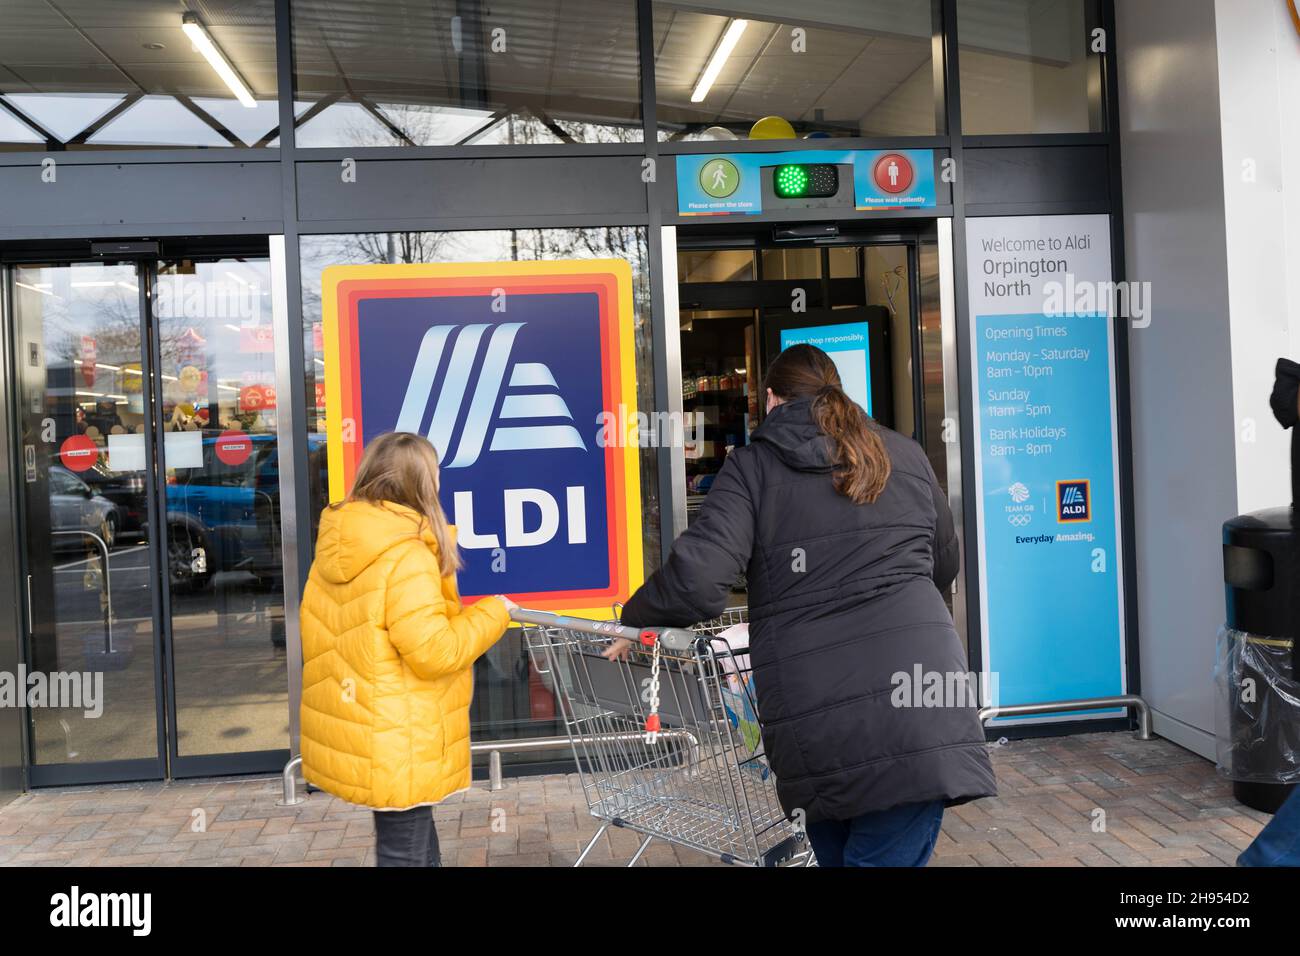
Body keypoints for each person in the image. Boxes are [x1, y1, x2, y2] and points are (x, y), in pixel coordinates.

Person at [613, 344, 996, 866]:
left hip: (813, 722)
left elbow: (700, 580)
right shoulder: (902, 455)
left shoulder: (751, 469)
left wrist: (636, 617)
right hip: (920, 706)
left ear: (771, 398)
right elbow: (943, 564)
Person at [298, 431, 516, 866]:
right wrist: (496, 613)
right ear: (421, 482)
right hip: (402, 729)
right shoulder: (407, 555)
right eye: (434, 473)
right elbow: (433, 651)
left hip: (369, 724)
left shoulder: (342, 542)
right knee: (405, 854)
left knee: (411, 841)